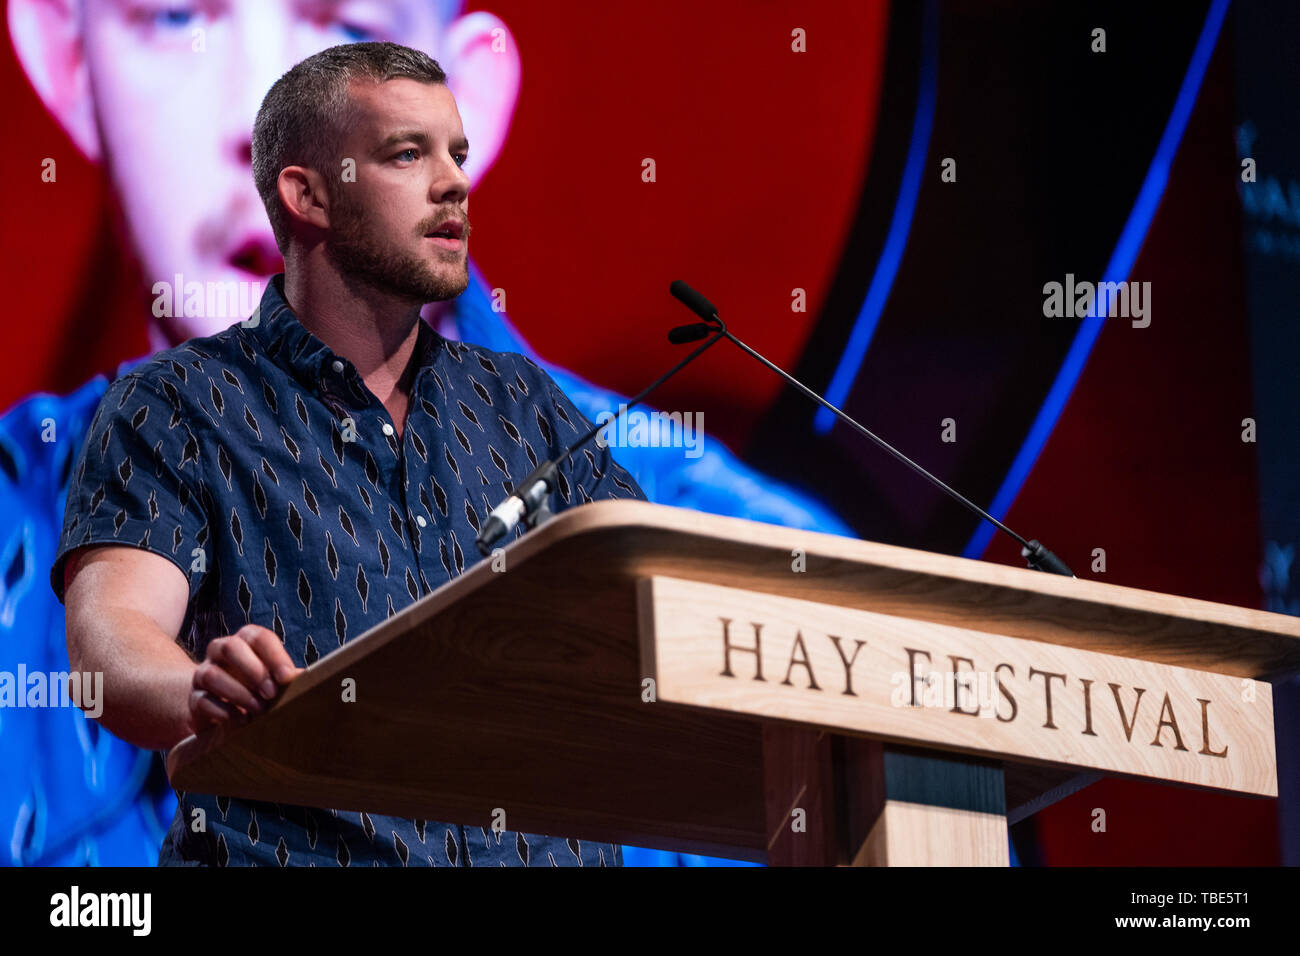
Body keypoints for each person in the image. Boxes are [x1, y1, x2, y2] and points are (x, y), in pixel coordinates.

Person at [4, 0, 850, 865]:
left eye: (344, 33)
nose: (248, 118)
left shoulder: (574, 441)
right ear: (62, 54)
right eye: (178, 15)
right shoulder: (156, 422)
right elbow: (111, 633)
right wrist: (201, 692)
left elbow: (625, 579)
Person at [54, 41, 654, 866]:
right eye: (407, 154)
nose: (454, 182)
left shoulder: (529, 408)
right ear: (308, 195)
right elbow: (110, 638)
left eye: (457, 153)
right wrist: (198, 689)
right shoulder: (178, 404)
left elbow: (661, 610)